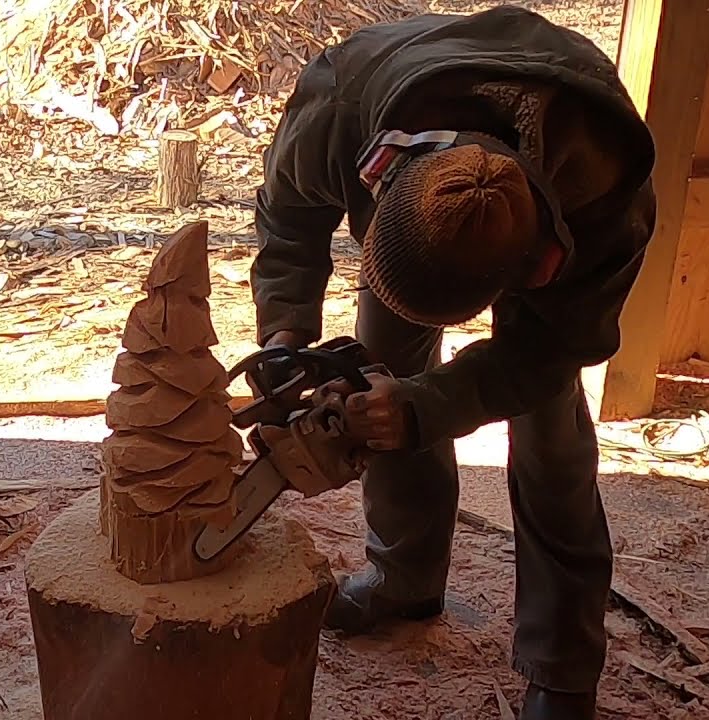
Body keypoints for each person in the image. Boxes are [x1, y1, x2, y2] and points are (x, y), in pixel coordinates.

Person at [251, 6, 657, 720]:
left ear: (536, 265)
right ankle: (402, 576)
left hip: (558, 201)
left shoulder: (606, 185)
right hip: (402, 117)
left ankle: (561, 666)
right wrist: (285, 338)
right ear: (381, 181)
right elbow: (288, 222)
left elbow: (546, 355)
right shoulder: (341, 105)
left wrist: (425, 406)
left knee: (550, 438)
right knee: (381, 371)